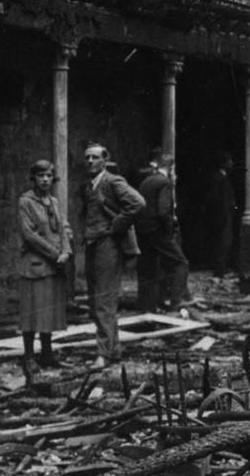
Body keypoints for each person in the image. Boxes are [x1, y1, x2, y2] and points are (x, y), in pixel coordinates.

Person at [73, 144, 145, 366]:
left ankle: (103, 353)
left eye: (95, 158)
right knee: (97, 301)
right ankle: (113, 350)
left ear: (105, 161)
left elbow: (138, 203)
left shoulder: (112, 182)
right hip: (93, 245)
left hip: (108, 246)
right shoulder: (88, 186)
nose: (90, 161)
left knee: (105, 300)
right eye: (87, 158)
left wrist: (117, 226)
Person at [17, 159, 72, 389]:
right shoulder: (25, 202)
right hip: (36, 264)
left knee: (49, 310)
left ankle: (47, 353)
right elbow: (29, 235)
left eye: (49, 175)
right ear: (34, 178)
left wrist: (67, 250)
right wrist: (54, 253)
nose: (45, 180)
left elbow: (63, 228)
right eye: (41, 176)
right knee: (32, 311)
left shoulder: (55, 202)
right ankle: (29, 357)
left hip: (55, 265)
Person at [135, 149, 189, 312]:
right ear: (171, 168)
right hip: (158, 232)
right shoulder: (165, 183)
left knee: (148, 270)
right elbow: (163, 211)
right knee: (180, 263)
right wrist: (169, 230)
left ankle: (147, 307)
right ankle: (176, 301)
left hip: (143, 232)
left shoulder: (146, 181)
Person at [204, 152, 237, 278]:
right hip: (222, 217)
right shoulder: (220, 179)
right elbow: (220, 200)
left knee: (223, 242)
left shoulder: (221, 178)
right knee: (223, 242)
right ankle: (220, 270)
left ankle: (221, 268)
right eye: (229, 160)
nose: (231, 163)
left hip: (223, 216)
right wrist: (224, 216)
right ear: (223, 164)